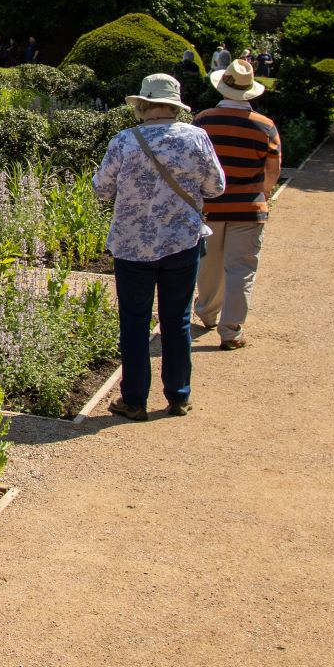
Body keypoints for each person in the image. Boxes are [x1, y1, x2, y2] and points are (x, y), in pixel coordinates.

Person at [92, 73, 227, 419]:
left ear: (143, 105)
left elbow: (102, 189)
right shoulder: (196, 138)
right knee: (177, 319)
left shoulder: (124, 140)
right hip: (182, 241)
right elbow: (216, 187)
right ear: (175, 106)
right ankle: (178, 395)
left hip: (132, 244)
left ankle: (134, 400)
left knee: (134, 322)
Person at [194, 60, 281, 351]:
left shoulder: (204, 120)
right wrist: (263, 193)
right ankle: (231, 331)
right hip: (248, 207)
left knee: (208, 264)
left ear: (222, 87)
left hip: (209, 206)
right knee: (241, 270)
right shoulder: (265, 126)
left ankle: (207, 313)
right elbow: (273, 168)